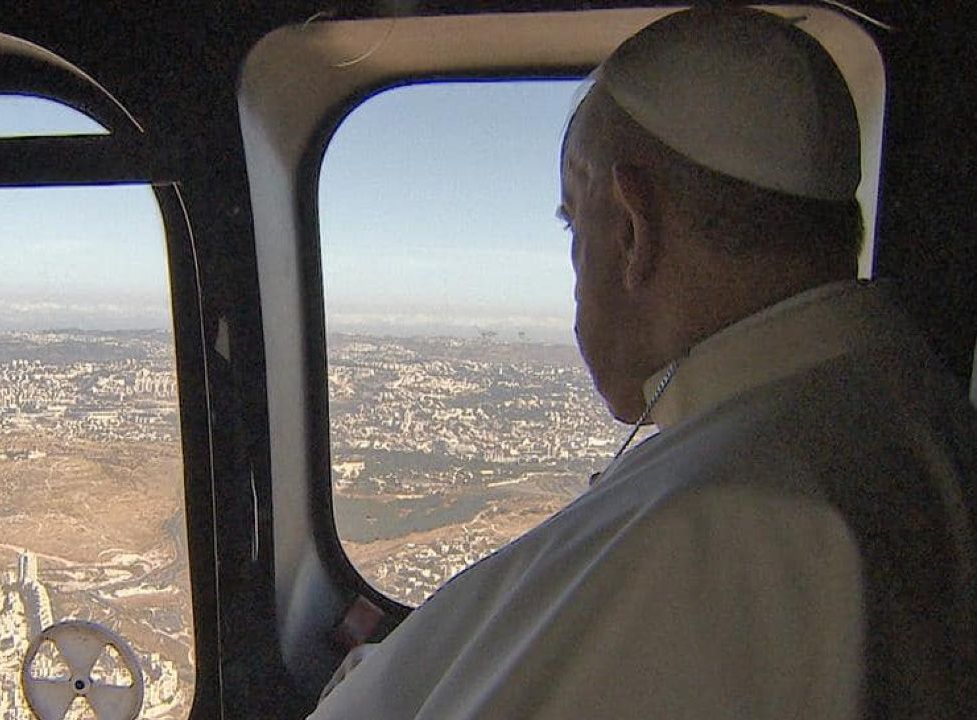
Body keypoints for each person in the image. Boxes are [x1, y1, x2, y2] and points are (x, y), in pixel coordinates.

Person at [308, 6, 977, 719]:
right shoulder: (912, 412)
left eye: (574, 222)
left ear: (632, 228)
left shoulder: (711, 531)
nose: (574, 259)